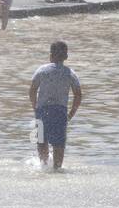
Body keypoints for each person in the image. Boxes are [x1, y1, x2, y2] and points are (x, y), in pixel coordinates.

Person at [29, 40, 83, 170]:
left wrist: (35, 108)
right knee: (59, 145)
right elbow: (78, 95)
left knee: (42, 142)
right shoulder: (70, 73)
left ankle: (43, 166)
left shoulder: (41, 70)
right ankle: (57, 169)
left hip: (42, 111)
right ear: (66, 57)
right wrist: (70, 115)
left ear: (50, 55)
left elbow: (32, 90)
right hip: (60, 112)